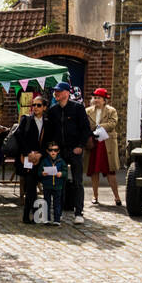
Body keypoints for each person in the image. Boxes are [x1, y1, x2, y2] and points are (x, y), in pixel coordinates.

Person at [45, 81, 91, 225]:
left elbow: (86, 129)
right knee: (60, 181)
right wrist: (52, 148)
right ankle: (60, 211)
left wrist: (80, 146)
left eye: (59, 91)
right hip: (60, 151)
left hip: (74, 149)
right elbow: (50, 132)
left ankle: (79, 212)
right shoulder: (53, 111)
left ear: (66, 93)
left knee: (77, 181)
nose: (56, 94)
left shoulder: (77, 108)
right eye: (55, 91)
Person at [15, 95, 51, 224]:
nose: (35, 107)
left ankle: (38, 215)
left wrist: (40, 154)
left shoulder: (48, 122)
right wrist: (28, 153)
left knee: (42, 187)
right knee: (30, 187)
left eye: (38, 105)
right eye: (34, 105)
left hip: (41, 158)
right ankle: (26, 216)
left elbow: (49, 141)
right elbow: (19, 136)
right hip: (28, 158)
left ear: (44, 107)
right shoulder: (27, 120)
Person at [85, 88, 122, 206]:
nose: (96, 100)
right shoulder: (88, 111)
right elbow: (85, 125)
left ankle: (117, 197)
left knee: (110, 171)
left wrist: (97, 126)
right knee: (94, 171)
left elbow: (112, 124)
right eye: (95, 98)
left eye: (99, 98)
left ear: (104, 100)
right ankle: (95, 195)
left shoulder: (111, 111)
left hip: (106, 143)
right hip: (93, 142)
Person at [40, 142, 68, 225]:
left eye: (55, 150)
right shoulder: (45, 161)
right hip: (47, 185)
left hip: (58, 186)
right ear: (47, 151)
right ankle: (47, 219)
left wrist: (61, 174)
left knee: (57, 203)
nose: (53, 152)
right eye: (51, 150)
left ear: (58, 151)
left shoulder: (61, 161)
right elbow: (39, 171)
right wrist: (42, 173)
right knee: (46, 202)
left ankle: (57, 219)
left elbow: (65, 172)